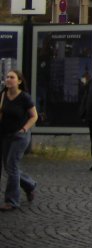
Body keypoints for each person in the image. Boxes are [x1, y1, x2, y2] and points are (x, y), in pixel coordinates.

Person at [0, 70, 37, 210]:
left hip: (20, 136)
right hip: (6, 135)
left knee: (11, 165)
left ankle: (11, 201)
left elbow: (34, 116)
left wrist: (24, 129)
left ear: (19, 81)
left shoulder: (24, 97)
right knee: (8, 167)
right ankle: (30, 185)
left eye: (12, 77)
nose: (8, 79)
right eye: (7, 77)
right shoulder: (3, 95)